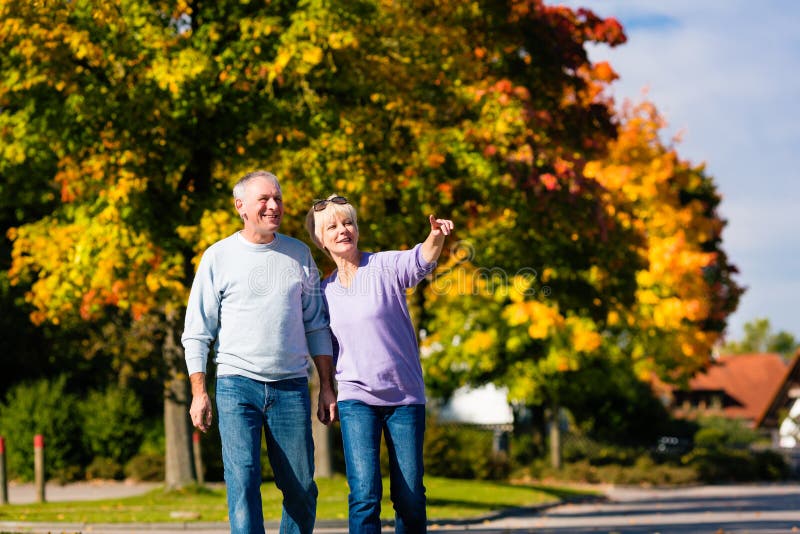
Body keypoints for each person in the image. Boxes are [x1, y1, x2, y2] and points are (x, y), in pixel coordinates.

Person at [182, 171, 336, 534]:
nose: (273, 206)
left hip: (291, 388)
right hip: (237, 387)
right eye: (264, 199)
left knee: (301, 489)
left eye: (278, 199)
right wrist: (199, 392)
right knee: (243, 485)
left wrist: (327, 385)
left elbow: (316, 324)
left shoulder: (298, 254)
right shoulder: (218, 257)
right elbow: (196, 332)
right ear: (241, 207)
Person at [305, 195, 454, 534]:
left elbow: (421, 259)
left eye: (348, 223)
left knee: (411, 497)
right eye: (333, 226)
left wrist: (436, 235)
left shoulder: (384, 266)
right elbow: (323, 348)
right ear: (320, 240)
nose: (343, 230)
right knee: (364, 496)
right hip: (356, 399)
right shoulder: (323, 292)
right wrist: (326, 389)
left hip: (404, 397)